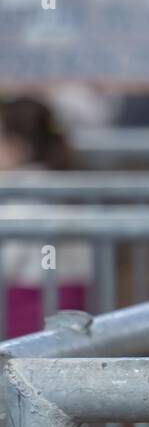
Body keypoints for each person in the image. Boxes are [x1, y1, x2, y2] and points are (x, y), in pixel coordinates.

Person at [0, 97, 92, 338]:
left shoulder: (20, 196)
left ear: (17, 146)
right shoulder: (67, 187)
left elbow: (7, 261)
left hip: (23, 324)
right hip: (71, 312)